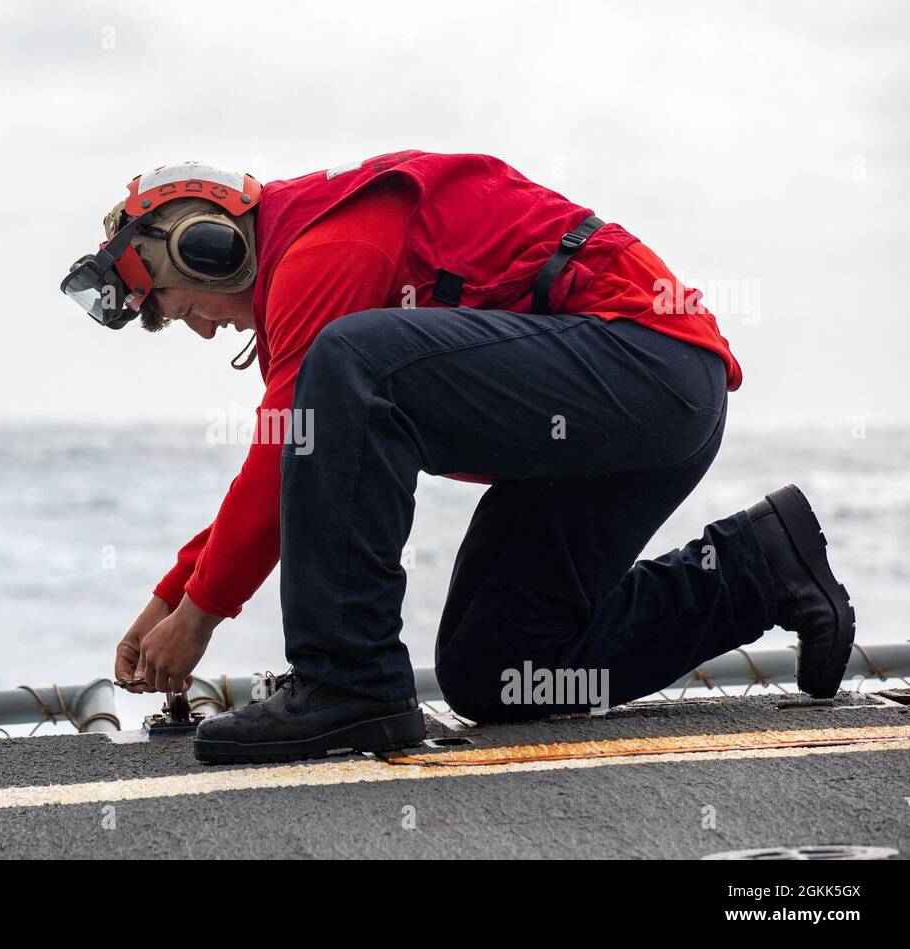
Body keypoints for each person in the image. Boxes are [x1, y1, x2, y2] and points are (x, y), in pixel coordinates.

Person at [60, 151, 855, 764]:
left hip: (650, 366)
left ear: (209, 249)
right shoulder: (310, 273)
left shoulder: (321, 248)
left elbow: (281, 457)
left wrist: (197, 614)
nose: (202, 329)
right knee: (497, 669)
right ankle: (760, 565)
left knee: (350, 361)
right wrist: (172, 597)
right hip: (628, 413)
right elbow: (293, 465)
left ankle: (349, 680)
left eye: (178, 306)